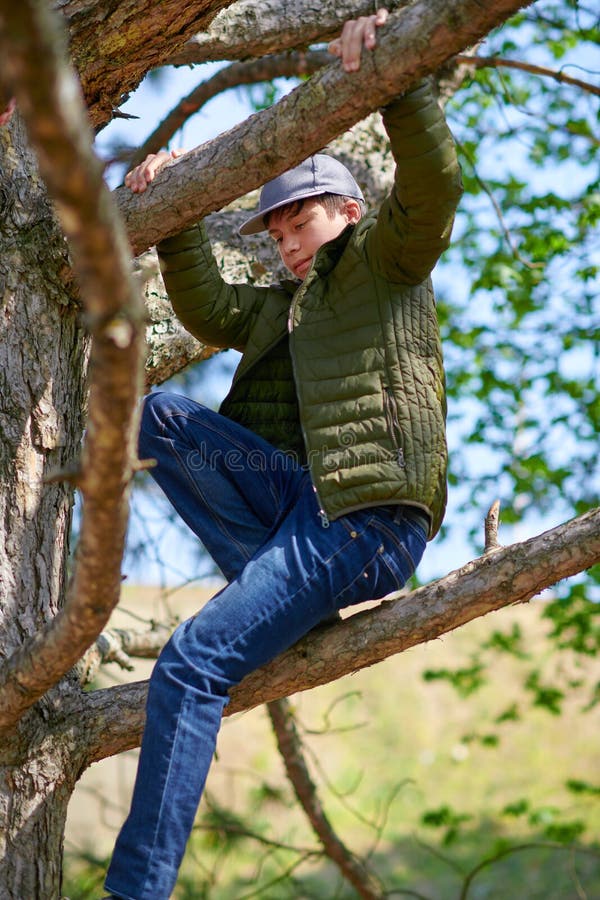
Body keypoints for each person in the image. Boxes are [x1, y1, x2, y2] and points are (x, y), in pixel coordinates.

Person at [102, 9, 462, 899]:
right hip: (298, 503)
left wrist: (400, 79)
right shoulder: (283, 309)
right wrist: (177, 211)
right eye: (277, 231)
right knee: (157, 417)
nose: (288, 240)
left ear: (348, 209)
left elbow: (433, 186)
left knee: (192, 664)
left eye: (301, 221)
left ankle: (134, 891)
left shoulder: (388, 262)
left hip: (364, 516)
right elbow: (210, 310)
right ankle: (283, 600)